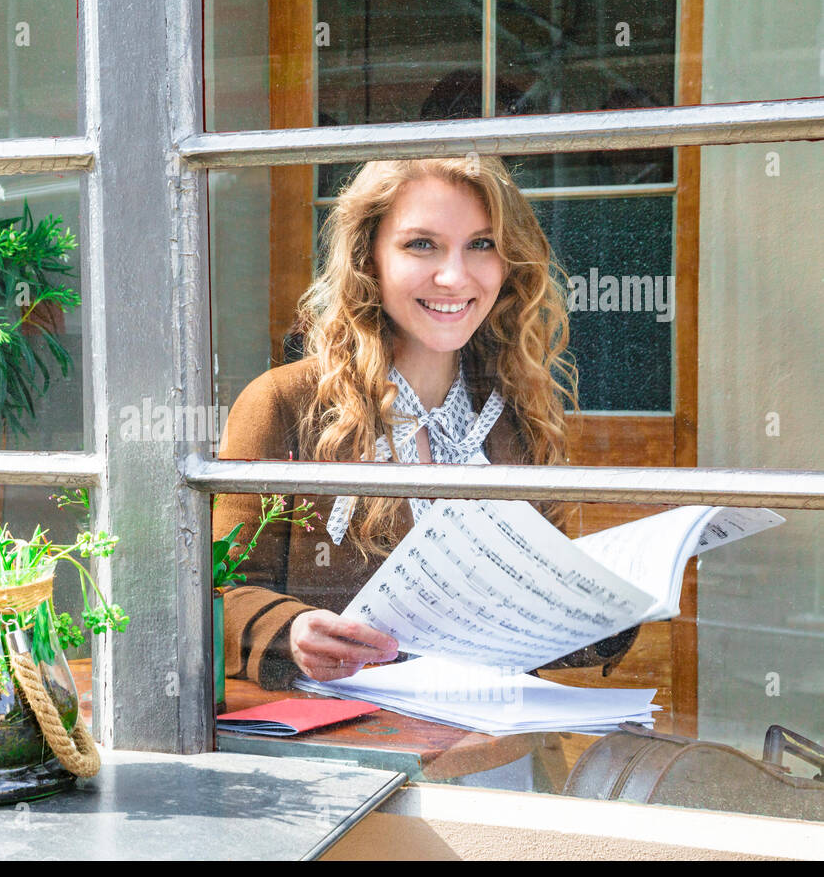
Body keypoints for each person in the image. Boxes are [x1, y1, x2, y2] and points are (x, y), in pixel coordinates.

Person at [214, 155, 639, 689]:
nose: (454, 276)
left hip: (496, 744)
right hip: (348, 749)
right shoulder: (283, 401)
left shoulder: (520, 410)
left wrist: (613, 602)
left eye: (481, 244)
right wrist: (289, 629)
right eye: (422, 244)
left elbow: (532, 615)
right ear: (368, 257)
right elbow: (220, 590)